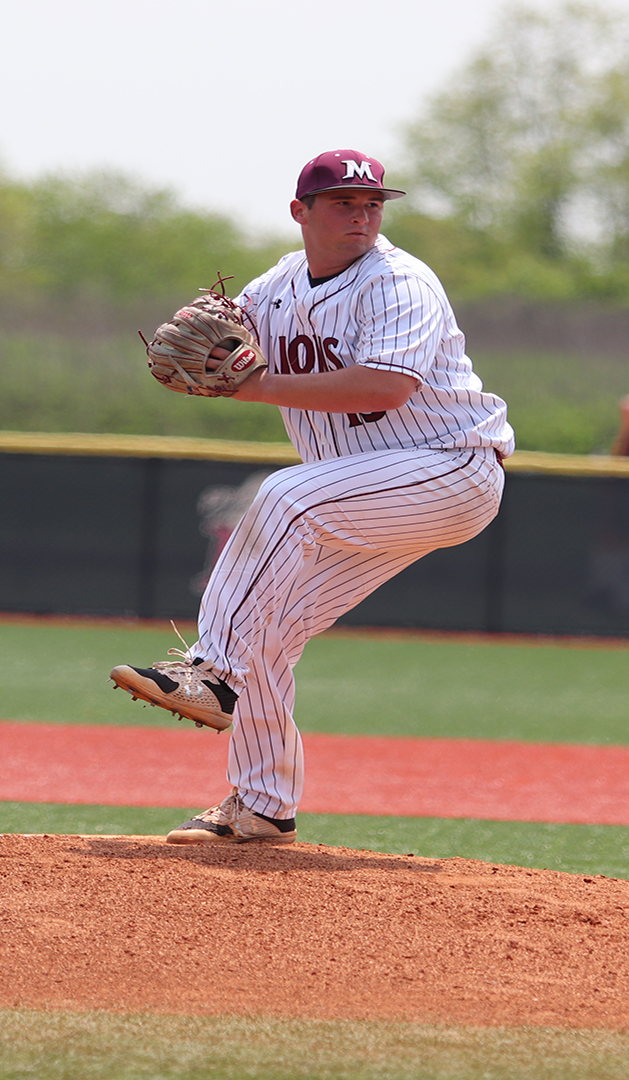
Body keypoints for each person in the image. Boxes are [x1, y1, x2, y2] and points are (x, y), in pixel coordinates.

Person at [111, 149, 515, 845]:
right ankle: (263, 806)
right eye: (343, 204)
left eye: (372, 205)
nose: (361, 216)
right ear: (301, 212)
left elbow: (386, 388)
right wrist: (207, 355)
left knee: (285, 496)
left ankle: (210, 674)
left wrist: (252, 385)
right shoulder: (275, 289)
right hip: (362, 491)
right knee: (270, 629)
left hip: (448, 470)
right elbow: (218, 337)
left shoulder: (399, 282)